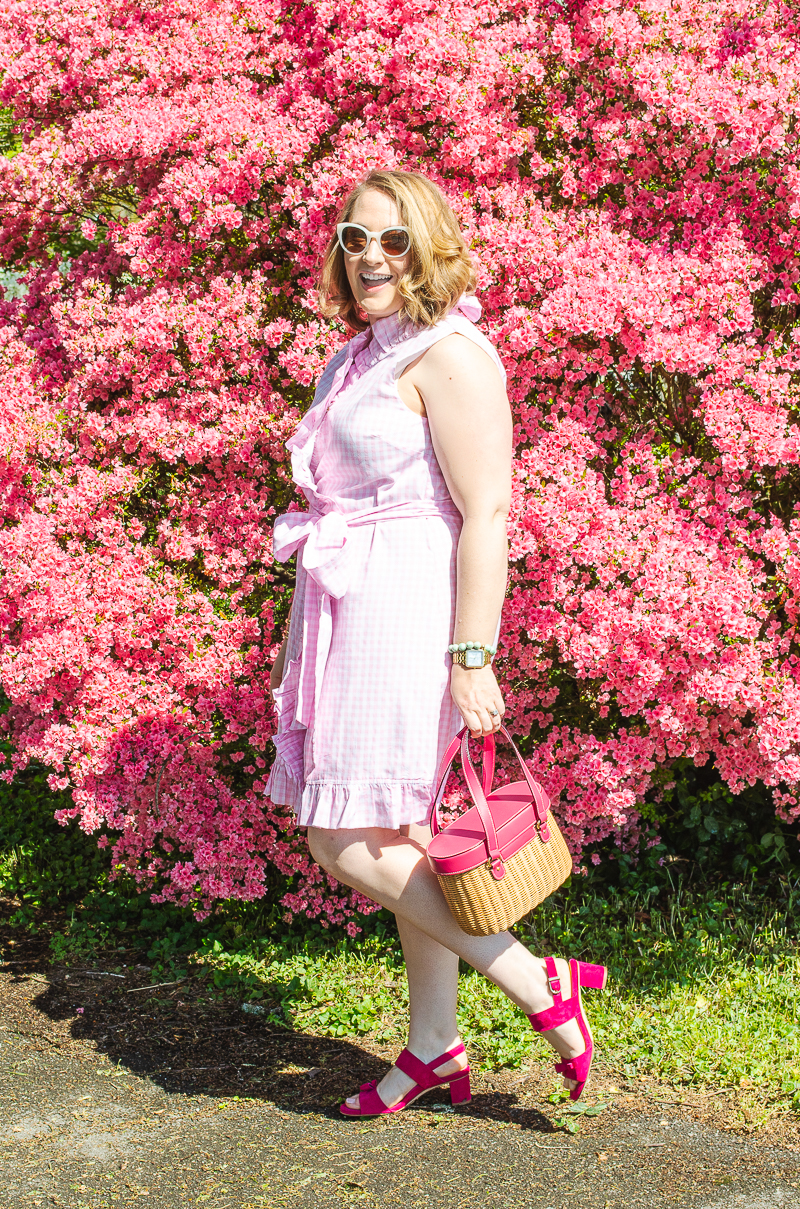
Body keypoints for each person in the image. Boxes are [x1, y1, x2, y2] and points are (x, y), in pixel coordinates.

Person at [267, 169, 606, 1116]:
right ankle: (434, 1045)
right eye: (354, 239)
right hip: (348, 607)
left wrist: (472, 655)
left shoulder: (453, 353)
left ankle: (539, 982)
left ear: (428, 248)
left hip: (410, 613)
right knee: (399, 834)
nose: (370, 257)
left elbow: (487, 511)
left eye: (393, 239)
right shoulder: (354, 358)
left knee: (340, 837)